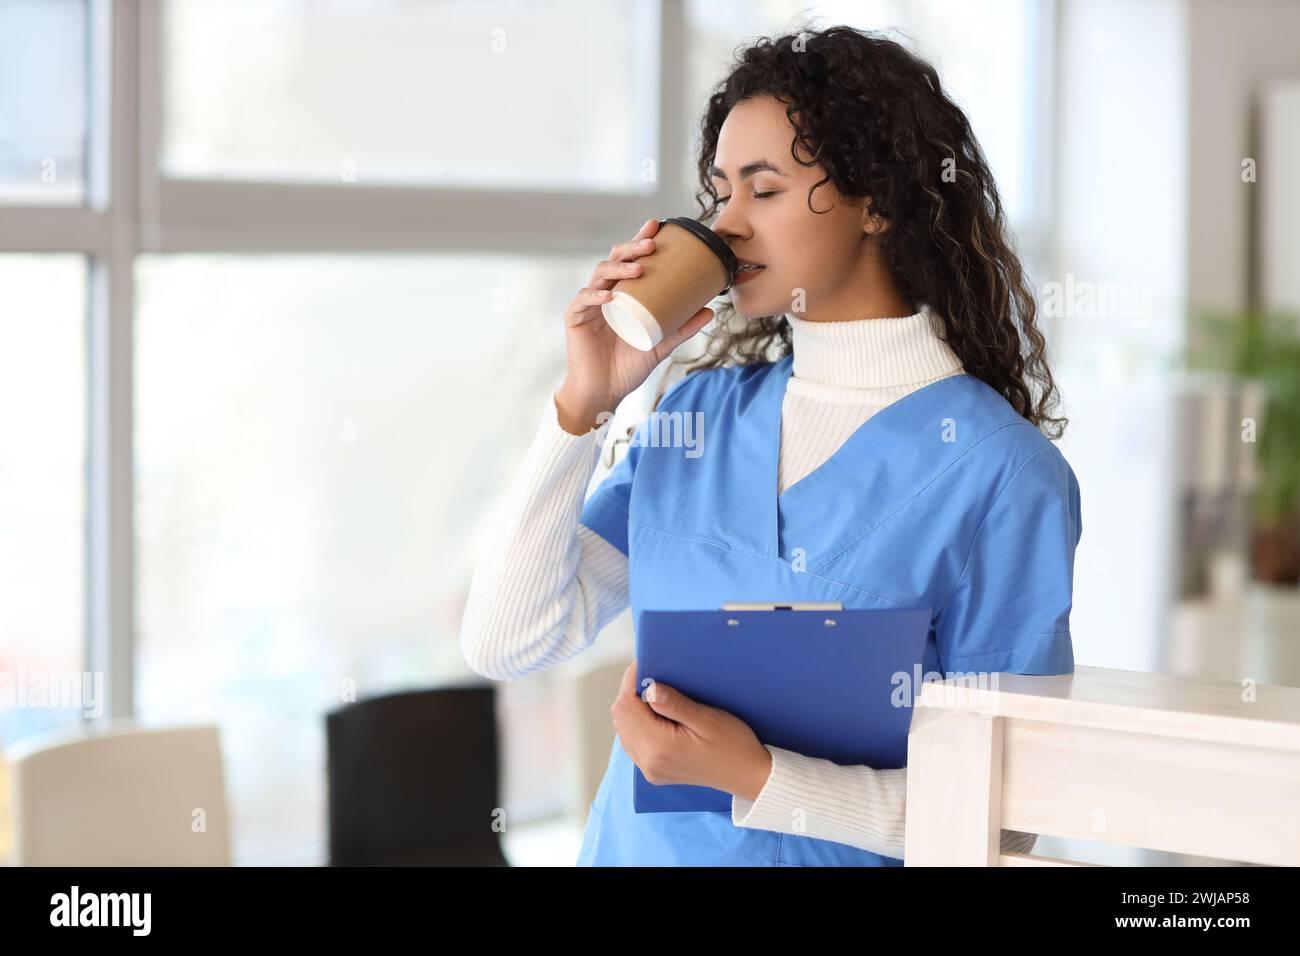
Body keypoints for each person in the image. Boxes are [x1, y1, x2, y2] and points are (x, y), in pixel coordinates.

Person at [461, 25, 1081, 866]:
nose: (727, 227)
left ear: (878, 203)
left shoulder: (1004, 475)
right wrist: (585, 404)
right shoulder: (696, 417)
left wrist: (759, 776)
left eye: (765, 189)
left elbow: (1003, 819)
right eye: (720, 192)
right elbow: (508, 640)